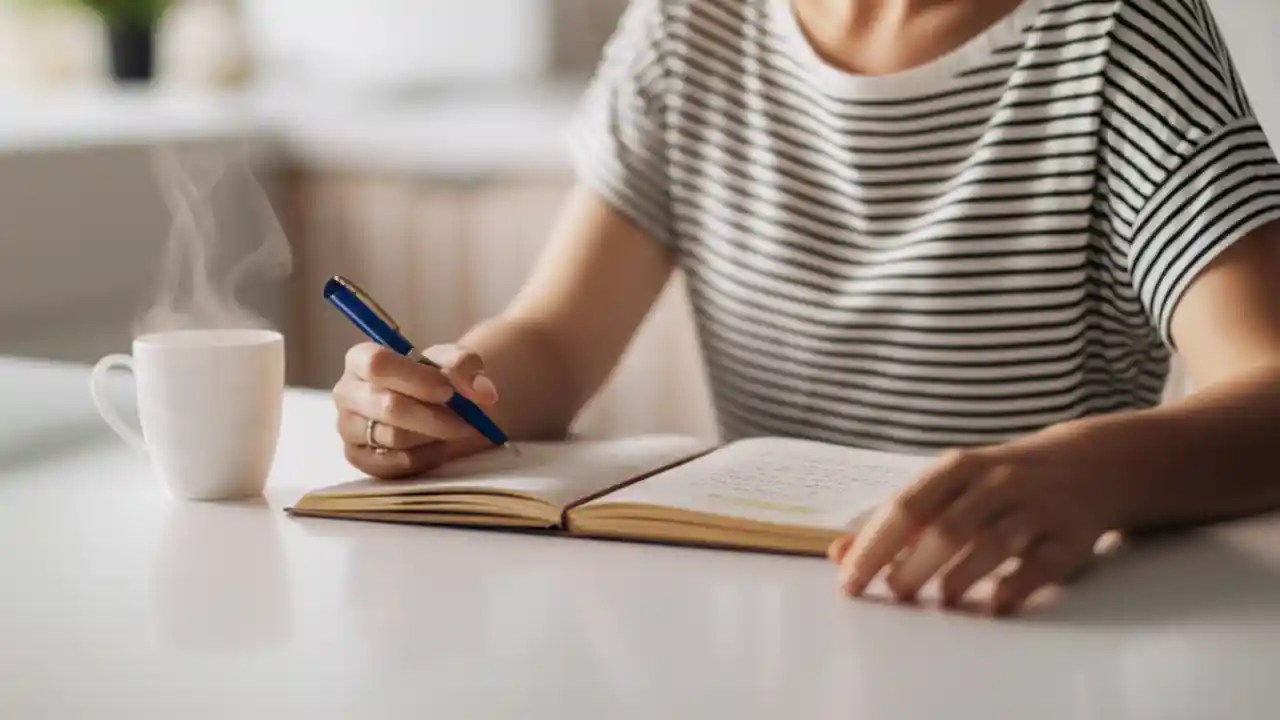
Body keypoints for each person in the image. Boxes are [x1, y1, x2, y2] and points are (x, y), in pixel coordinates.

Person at [332, 0, 1280, 615]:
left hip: (1018, 620)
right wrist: (444, 398)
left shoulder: (1118, 28)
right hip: (781, 624)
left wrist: (1091, 473)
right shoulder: (690, 25)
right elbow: (552, 339)